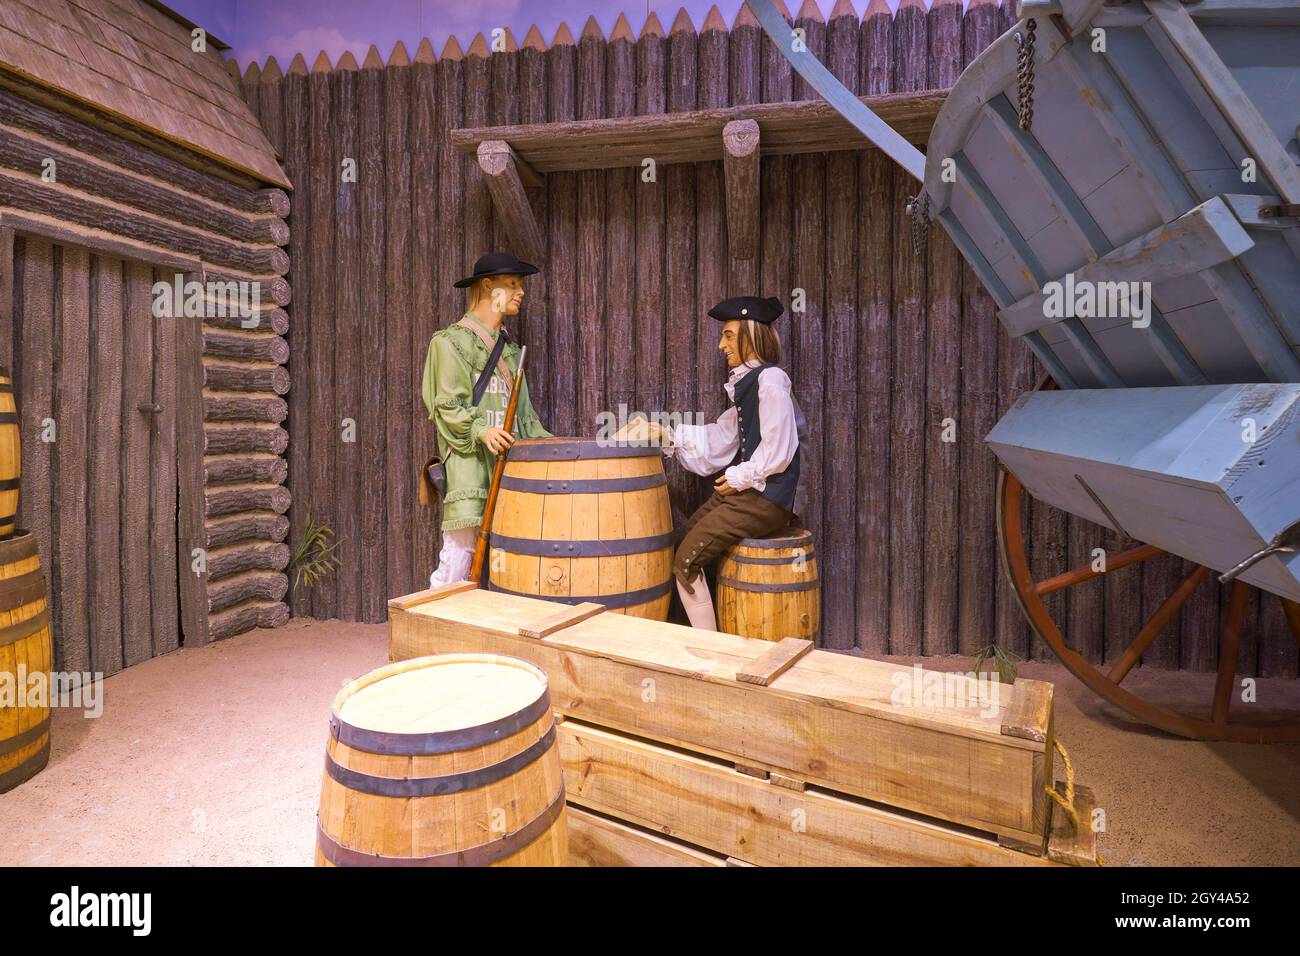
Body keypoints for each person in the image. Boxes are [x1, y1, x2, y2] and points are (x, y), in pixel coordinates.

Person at [623, 296, 804, 629]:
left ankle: (711, 650)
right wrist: (665, 434)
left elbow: (779, 451)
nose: (722, 344)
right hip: (750, 494)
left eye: (729, 335)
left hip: (766, 499)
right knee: (685, 541)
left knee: (685, 562)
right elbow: (721, 439)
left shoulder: (771, 380)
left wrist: (739, 477)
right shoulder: (749, 384)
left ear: (751, 335)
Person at [421, 252, 551, 586]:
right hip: (469, 466)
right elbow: (447, 406)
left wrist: (558, 451)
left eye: (520, 284)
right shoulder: (450, 343)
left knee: (504, 560)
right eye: (512, 284)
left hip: (508, 469)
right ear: (487, 286)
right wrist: (481, 430)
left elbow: (527, 421)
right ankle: (435, 631)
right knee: (459, 557)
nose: (520, 291)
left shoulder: (509, 350)